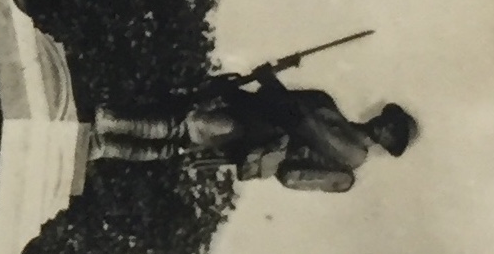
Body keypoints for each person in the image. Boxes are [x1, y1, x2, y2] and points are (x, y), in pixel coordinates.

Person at [92, 68, 418, 193]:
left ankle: (110, 124)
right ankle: (105, 146)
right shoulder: (335, 111)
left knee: (185, 127)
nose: (386, 125)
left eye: (394, 131)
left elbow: (304, 124)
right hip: (254, 128)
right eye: (391, 119)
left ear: (389, 144)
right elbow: (292, 106)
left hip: (257, 137)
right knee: (177, 144)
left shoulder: (354, 153)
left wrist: (270, 83)